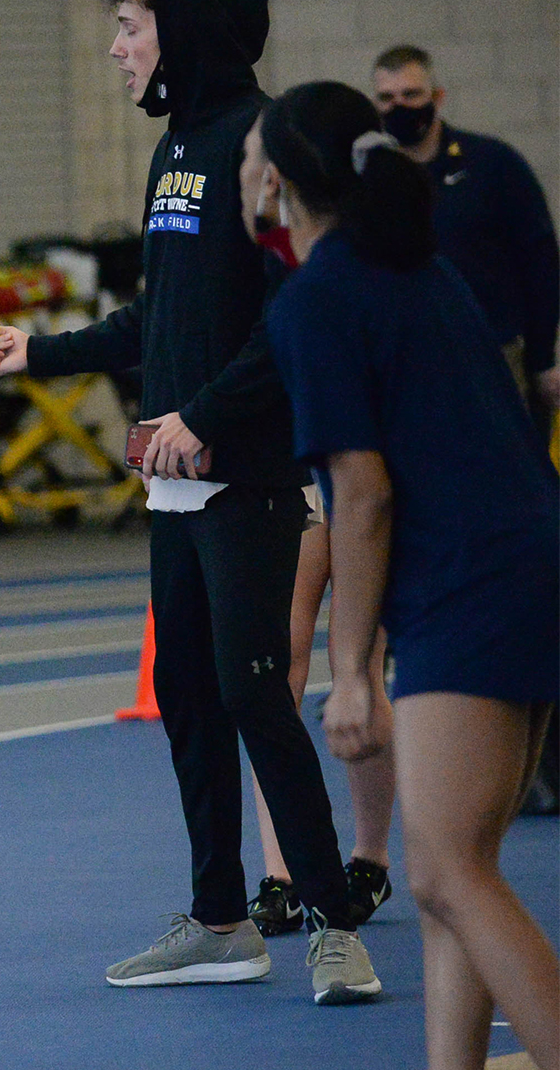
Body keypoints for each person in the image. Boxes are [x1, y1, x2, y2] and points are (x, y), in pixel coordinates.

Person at [0, 0, 380, 1003]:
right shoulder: (173, 153)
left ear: (186, 32)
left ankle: (334, 923)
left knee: (253, 692)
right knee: (188, 700)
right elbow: (167, 312)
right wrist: (44, 353)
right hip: (177, 478)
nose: (115, 49)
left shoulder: (266, 141)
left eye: (130, 27)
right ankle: (220, 921)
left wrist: (202, 412)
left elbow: (294, 310)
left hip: (246, 471)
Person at [248, 78, 559, 1070]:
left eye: (253, 153)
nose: (242, 168)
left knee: (455, 870)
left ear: (283, 179)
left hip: (472, 589)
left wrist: (353, 669)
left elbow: (363, 493)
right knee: (442, 873)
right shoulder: (422, 272)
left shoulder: (321, 298)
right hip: (520, 565)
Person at [370, 45, 559, 417]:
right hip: (406, 359)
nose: (400, 106)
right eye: (387, 98)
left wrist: (543, 359)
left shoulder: (494, 164)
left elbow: (540, 263)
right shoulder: (369, 177)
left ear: (436, 97)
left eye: (411, 94)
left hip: (496, 352)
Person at [243, 509, 395, 936]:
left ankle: (370, 861)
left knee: (362, 671)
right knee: (276, 676)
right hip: (297, 479)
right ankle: (281, 879)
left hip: (365, 477)